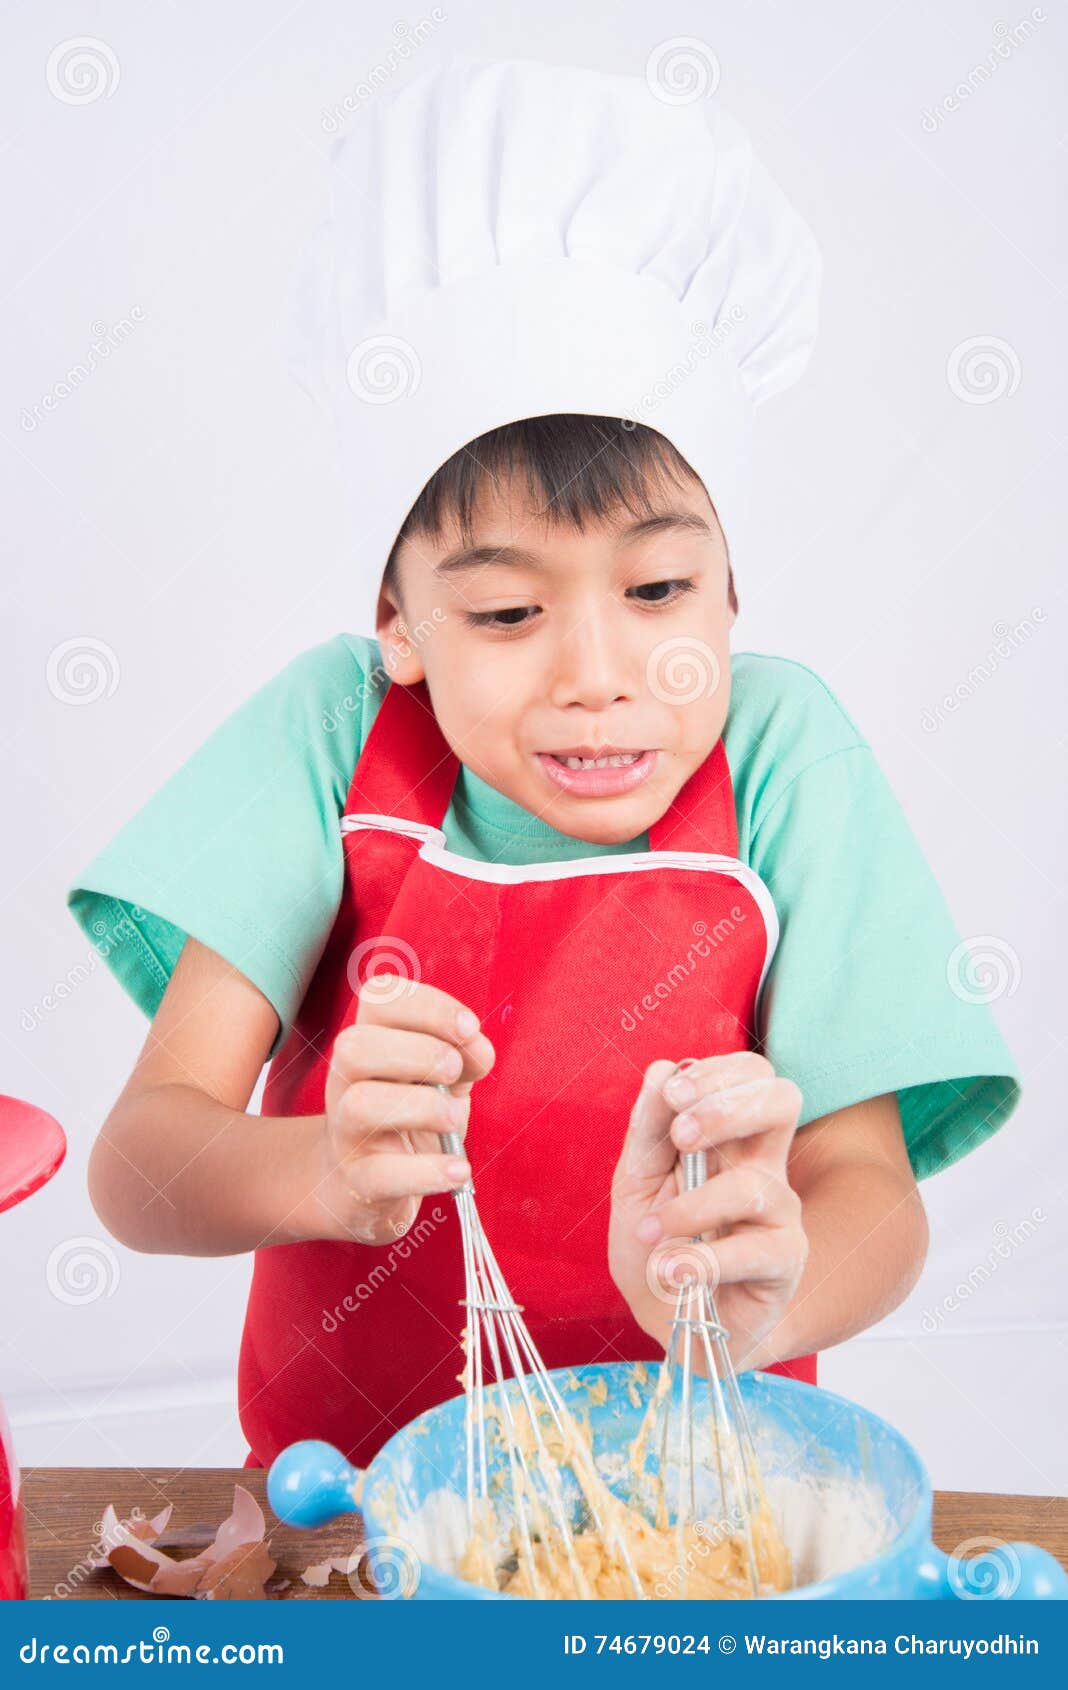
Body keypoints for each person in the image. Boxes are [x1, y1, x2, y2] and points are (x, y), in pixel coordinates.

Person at [69, 56, 1019, 1471]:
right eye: (507, 611)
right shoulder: (332, 735)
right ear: (397, 621)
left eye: (659, 594)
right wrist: (321, 1164)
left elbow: (868, 1187)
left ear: (734, 593)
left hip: (706, 1514)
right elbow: (145, 1166)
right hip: (352, 1525)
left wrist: (765, 1300)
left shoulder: (784, 755)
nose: (597, 675)